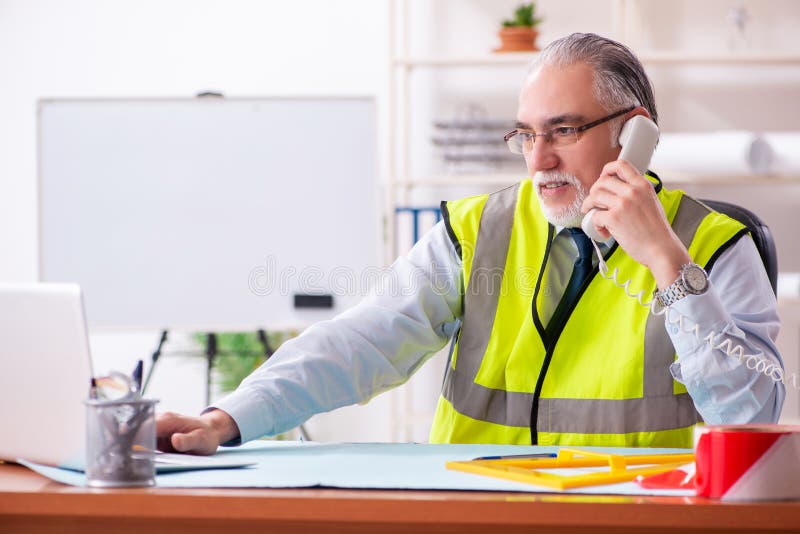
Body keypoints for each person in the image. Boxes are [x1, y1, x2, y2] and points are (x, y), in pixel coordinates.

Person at [157, 33, 784, 454]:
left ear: (633, 135)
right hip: (481, 513)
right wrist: (228, 420)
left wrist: (668, 264)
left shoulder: (715, 245)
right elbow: (361, 341)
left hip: (638, 523)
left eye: (563, 130)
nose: (538, 159)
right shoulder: (479, 231)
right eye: (526, 134)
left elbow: (751, 416)